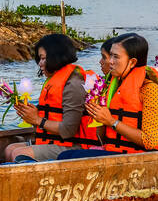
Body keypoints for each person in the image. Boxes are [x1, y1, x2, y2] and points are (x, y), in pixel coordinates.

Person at [74, 33, 158, 157]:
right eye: (110, 55)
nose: (110, 61)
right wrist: (99, 118)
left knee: (65, 158)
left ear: (132, 62)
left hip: (148, 158)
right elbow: (102, 139)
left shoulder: (150, 90)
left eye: (116, 57)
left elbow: (150, 141)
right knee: (66, 157)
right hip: (117, 153)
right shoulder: (112, 86)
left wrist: (111, 121)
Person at [6, 33, 100, 162]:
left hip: (75, 146)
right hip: (56, 141)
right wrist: (29, 113)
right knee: (10, 149)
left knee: (19, 153)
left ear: (57, 58)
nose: (40, 63)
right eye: (39, 59)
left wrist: (37, 120)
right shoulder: (54, 81)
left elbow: (68, 130)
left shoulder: (73, 85)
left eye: (43, 59)